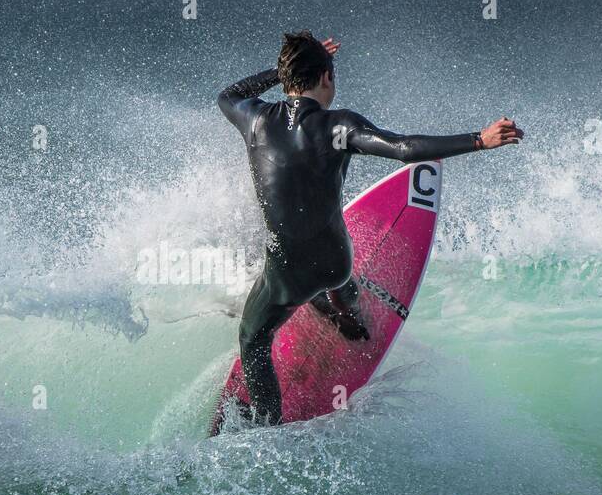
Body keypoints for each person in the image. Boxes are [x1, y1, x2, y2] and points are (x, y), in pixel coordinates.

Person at [217, 30, 523, 425]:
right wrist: (478, 140)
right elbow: (402, 148)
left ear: (288, 76)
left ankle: (267, 426)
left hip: (287, 273)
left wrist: (281, 73)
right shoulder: (338, 127)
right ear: (326, 77)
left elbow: (228, 94)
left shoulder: (256, 119)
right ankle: (349, 314)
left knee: (253, 340)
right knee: (335, 276)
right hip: (334, 260)